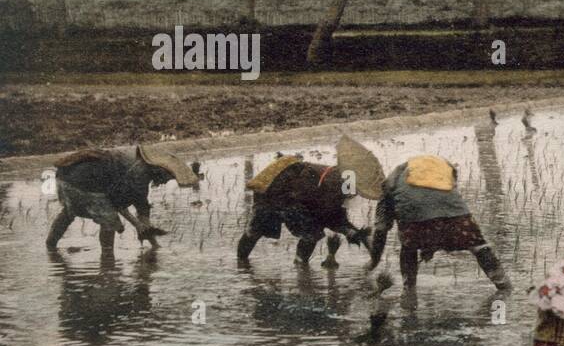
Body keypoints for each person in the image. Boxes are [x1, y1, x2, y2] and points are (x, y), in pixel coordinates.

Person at [366, 154, 509, 290]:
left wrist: (373, 262)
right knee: (478, 246)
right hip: (456, 215)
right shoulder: (441, 168)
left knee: (408, 248)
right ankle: (504, 286)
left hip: (415, 222)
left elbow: (381, 230)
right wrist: (431, 246)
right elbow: (439, 204)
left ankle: (409, 291)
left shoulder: (389, 185)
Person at [237, 135, 381, 266]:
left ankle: (299, 264)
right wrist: (348, 231)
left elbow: (336, 214)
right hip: (277, 190)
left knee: (311, 232)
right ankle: (243, 262)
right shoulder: (333, 186)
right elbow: (327, 215)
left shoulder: (344, 182)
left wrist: (357, 236)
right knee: (259, 229)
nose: (354, 196)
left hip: (296, 193)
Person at [46, 145, 199, 253]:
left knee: (70, 212)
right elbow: (115, 202)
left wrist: (152, 242)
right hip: (80, 183)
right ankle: (107, 261)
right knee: (109, 221)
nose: (166, 181)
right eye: (168, 177)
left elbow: (142, 206)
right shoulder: (137, 174)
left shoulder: (139, 167)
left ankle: (50, 245)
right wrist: (138, 225)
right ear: (159, 171)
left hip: (64, 177)